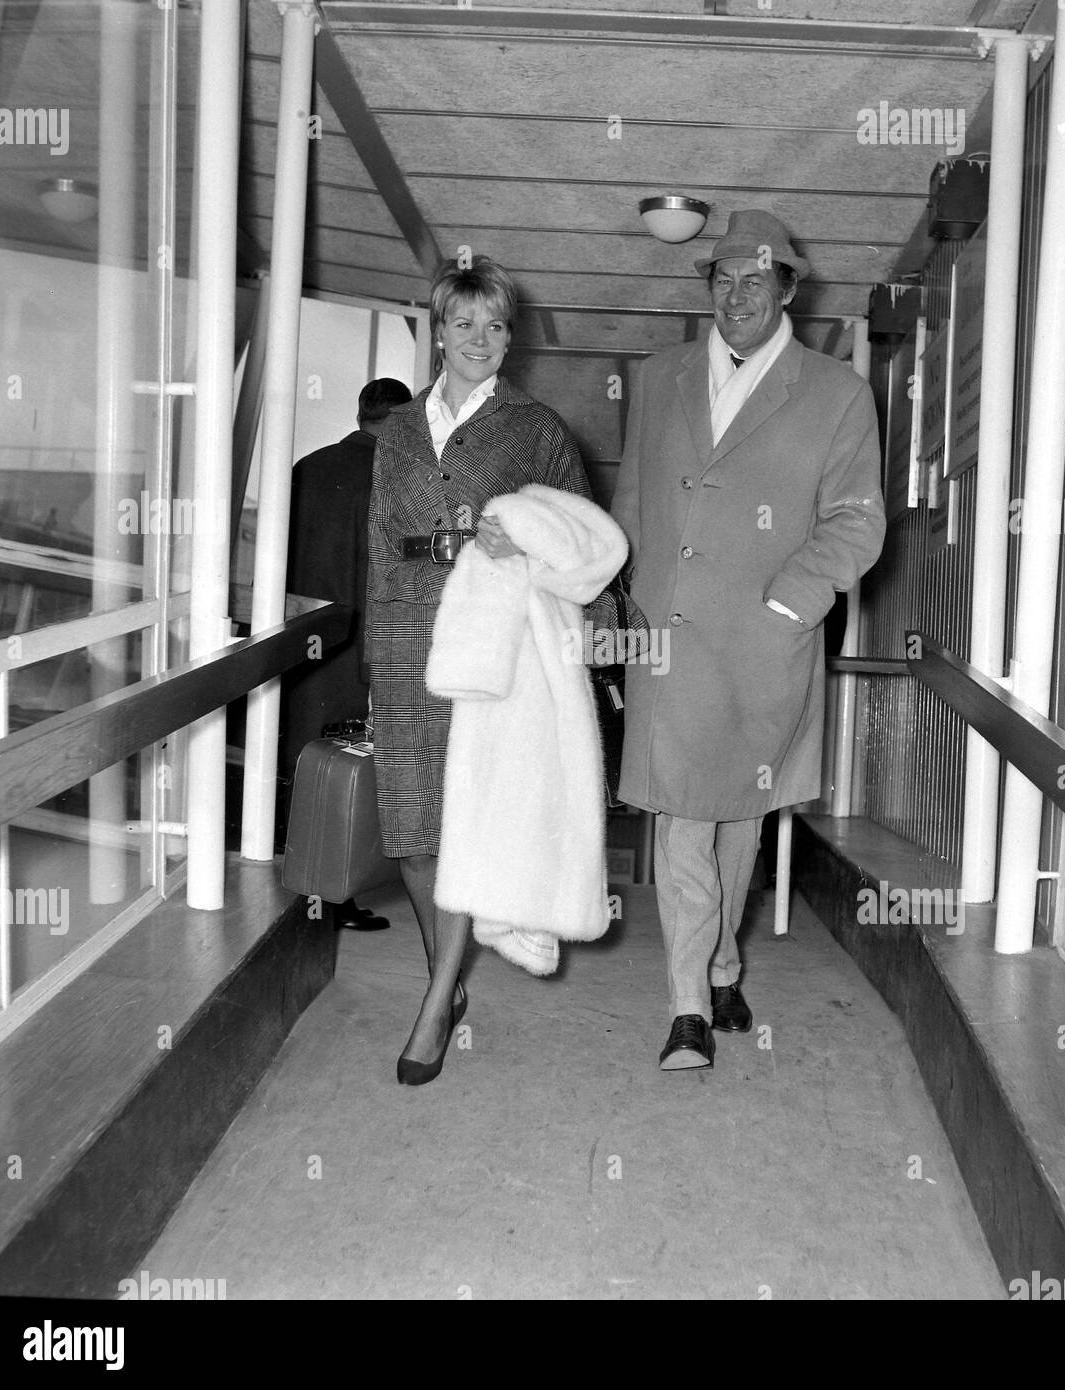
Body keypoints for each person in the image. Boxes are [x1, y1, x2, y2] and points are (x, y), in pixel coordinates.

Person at [611, 209, 886, 1071]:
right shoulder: (658, 377)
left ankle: (724, 960)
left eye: (756, 280)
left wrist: (787, 606)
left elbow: (856, 523)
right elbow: (632, 504)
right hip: (666, 643)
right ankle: (689, 1005)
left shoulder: (837, 392)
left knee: (740, 823)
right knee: (682, 819)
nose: (738, 295)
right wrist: (618, 610)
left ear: (788, 290)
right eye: (724, 279)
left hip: (765, 649)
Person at [367, 254, 594, 1086]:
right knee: (411, 832)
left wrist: (524, 536)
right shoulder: (394, 433)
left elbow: (584, 542)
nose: (480, 339)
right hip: (401, 633)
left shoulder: (536, 429)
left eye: (495, 326)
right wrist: (371, 649)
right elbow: (378, 546)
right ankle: (448, 978)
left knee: (466, 823)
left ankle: (432, 1009)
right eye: (464, 323)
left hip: (489, 632)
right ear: (438, 332)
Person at [282, 376, 412, 931]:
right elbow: (387, 574)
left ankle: (294, 888)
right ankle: (334, 898)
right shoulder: (391, 478)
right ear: (400, 421)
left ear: (361, 413)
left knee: (299, 766)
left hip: (299, 645)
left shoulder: (306, 469)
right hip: (359, 650)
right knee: (346, 774)